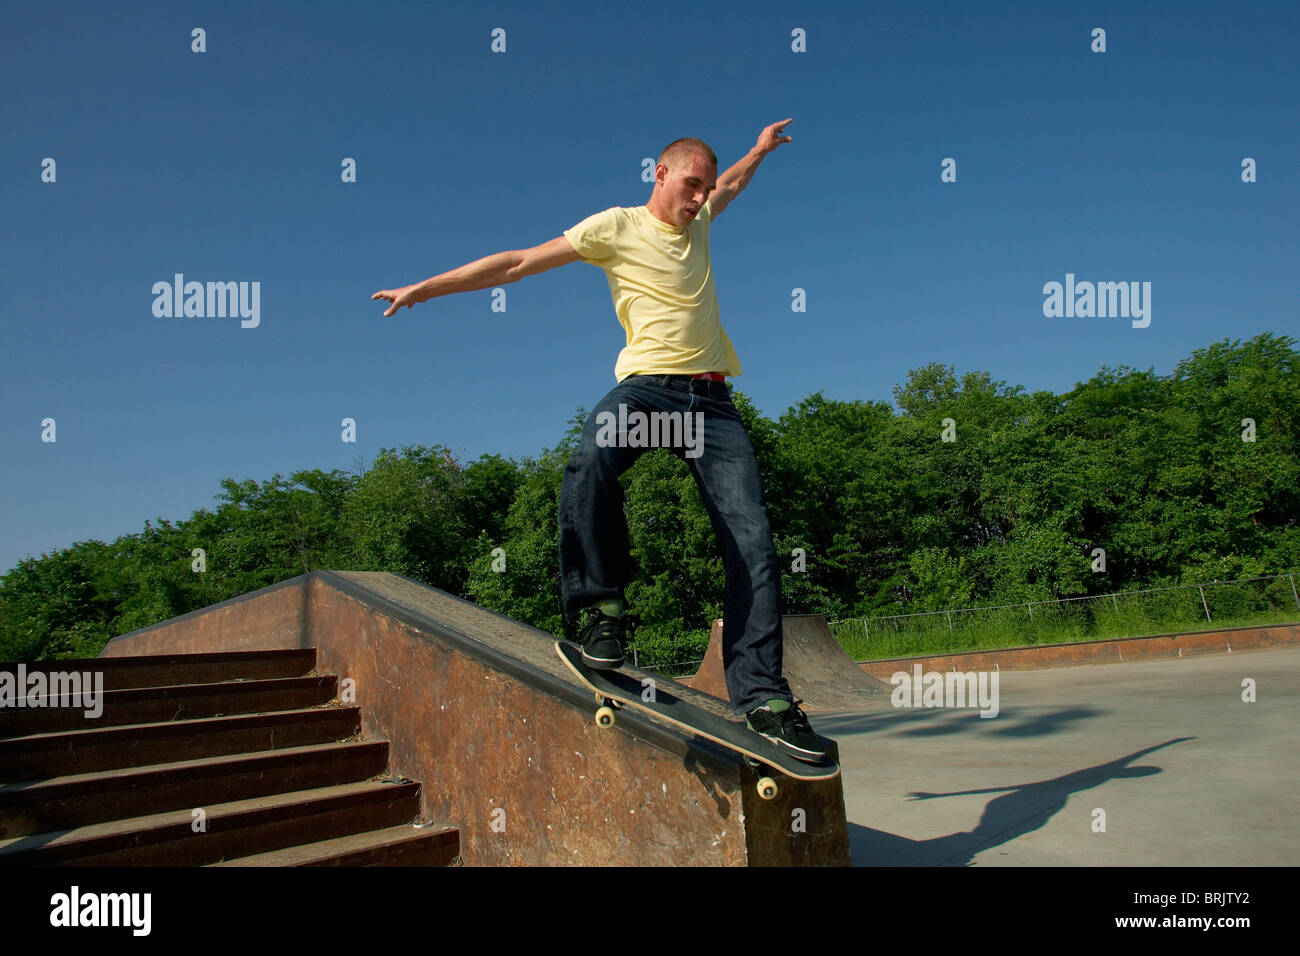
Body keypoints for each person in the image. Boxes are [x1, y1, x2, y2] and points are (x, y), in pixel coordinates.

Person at [372, 119, 824, 762]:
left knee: (751, 536)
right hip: (647, 391)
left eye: (704, 192)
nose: (699, 200)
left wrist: (757, 151)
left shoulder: (701, 220)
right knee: (589, 463)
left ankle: (763, 697)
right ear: (659, 174)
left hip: (712, 403)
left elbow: (732, 185)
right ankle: (600, 614)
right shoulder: (614, 226)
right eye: (689, 186)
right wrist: (428, 287)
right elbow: (519, 262)